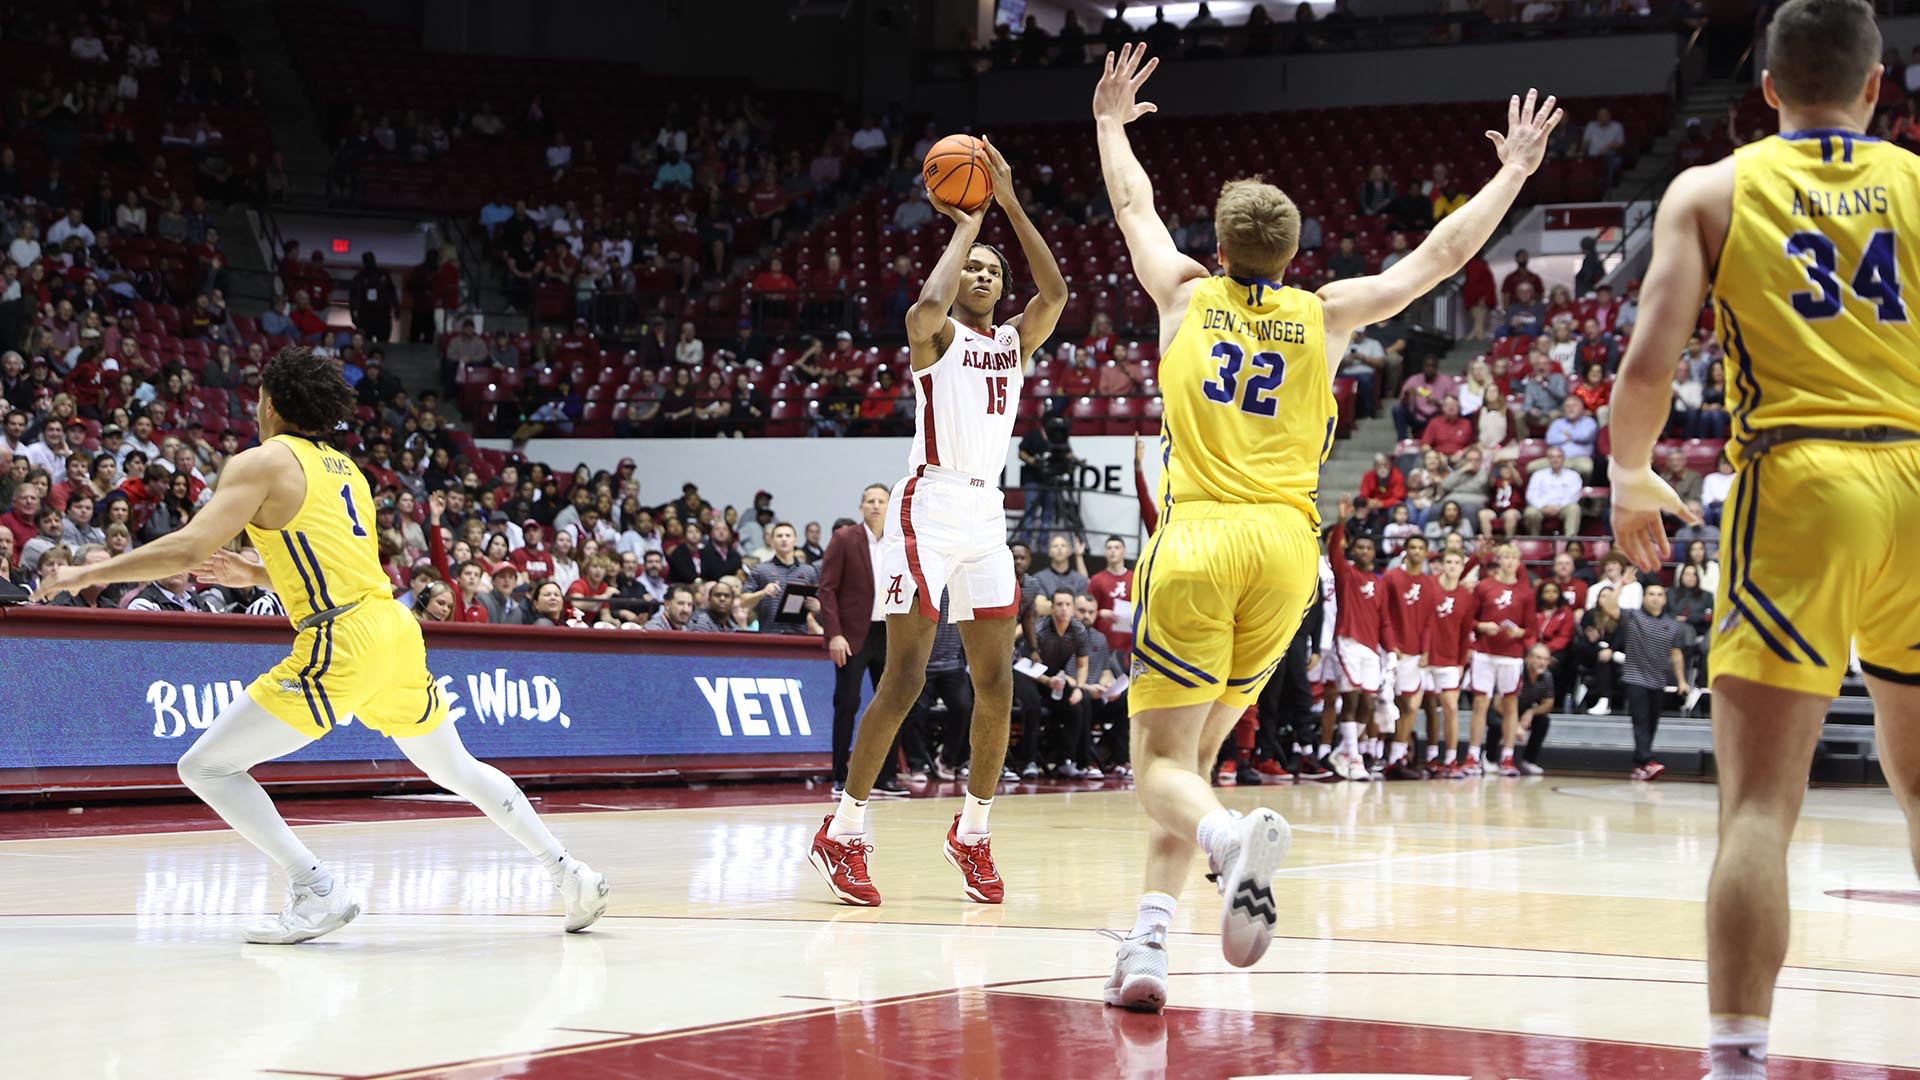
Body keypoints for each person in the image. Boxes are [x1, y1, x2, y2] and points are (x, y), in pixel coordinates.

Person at [1090, 42, 1563, 1008]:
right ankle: (1146, 948)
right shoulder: (1327, 313)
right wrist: (1511, 170)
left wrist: (1108, 122)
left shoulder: (1183, 296)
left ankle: (1226, 846)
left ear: (1219, 250)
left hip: (1201, 537)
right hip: (1287, 552)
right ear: (1290, 253)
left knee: (1159, 767)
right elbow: (1443, 256)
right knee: (1197, 762)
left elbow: (1134, 206)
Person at [29, 346, 608, 943]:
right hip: (393, 627)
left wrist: (87, 574)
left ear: (272, 402)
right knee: (457, 768)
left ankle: (315, 888)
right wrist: (255, 575)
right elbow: (333, 562)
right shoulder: (344, 468)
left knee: (205, 765)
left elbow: (187, 548)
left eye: (257, 397)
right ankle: (572, 875)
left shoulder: (261, 462)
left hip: (342, 640)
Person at [1603, 8, 1920, 1053]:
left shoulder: (1712, 189)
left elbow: (1649, 367)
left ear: (1767, 86)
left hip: (1801, 478)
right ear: (1878, 87)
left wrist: (1632, 473)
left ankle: (1738, 1060)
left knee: (1756, 813)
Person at [808, 136, 1066, 910]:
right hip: (926, 504)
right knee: (906, 677)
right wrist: (964, 225)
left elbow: (1054, 293)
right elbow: (923, 305)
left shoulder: (1015, 342)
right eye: (974, 269)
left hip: (987, 512)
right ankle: (844, 830)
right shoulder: (939, 336)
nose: (984, 274)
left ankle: (974, 832)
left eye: (993, 268)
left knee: (996, 685)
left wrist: (1009, 203)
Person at [816, 485, 906, 797]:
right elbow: (826, 588)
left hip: (889, 634)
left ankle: (886, 777)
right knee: (848, 703)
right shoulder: (844, 539)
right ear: (861, 506)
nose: (877, 506)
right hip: (853, 635)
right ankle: (841, 776)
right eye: (871, 501)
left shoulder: (900, 541)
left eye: (882, 501)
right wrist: (834, 634)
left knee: (891, 705)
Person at [1467, 542, 1536, 777]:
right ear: (1499, 560)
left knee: (1509, 705)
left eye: (1513, 558)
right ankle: (1472, 755)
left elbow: (1531, 629)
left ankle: (1507, 756)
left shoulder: (1526, 592)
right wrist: (1482, 625)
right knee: (1480, 704)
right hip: (1484, 652)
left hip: (1511, 655)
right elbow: (1469, 620)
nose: (1508, 562)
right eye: (1505, 557)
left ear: (1518, 563)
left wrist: (1519, 633)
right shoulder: (1484, 587)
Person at [1379, 533, 1433, 780]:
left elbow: (1430, 620)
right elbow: (1384, 613)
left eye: (1421, 547)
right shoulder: (1392, 578)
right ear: (1405, 550)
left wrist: (1426, 650)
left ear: (1426, 552)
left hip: (1415, 654)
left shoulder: (1429, 582)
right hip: (1393, 651)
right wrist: (1391, 645)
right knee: (1385, 705)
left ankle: (1397, 758)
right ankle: (1374, 754)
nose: (1416, 551)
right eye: (1412, 547)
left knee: (1411, 706)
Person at [1424, 547, 1476, 776]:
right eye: (1449, 561)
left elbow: (1466, 632)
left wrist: (1460, 662)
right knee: (1424, 707)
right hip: (1424, 658)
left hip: (1449, 659)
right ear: (1442, 564)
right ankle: (1428, 755)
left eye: (1457, 562)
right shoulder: (1430, 586)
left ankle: (1451, 759)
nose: (1453, 566)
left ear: (1463, 567)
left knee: (1451, 708)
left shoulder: (1466, 596)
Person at [1513, 643, 1556, 775]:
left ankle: (1528, 761)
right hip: (1503, 709)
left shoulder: (1547, 676)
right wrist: (1514, 723)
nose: (1542, 662)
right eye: (1538, 658)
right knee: (1495, 723)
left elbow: (1549, 703)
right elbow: (1500, 703)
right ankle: (1490, 757)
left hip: (1524, 710)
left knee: (1543, 721)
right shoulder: (1517, 672)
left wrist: (1531, 712)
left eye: (1545, 659)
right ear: (1528, 658)